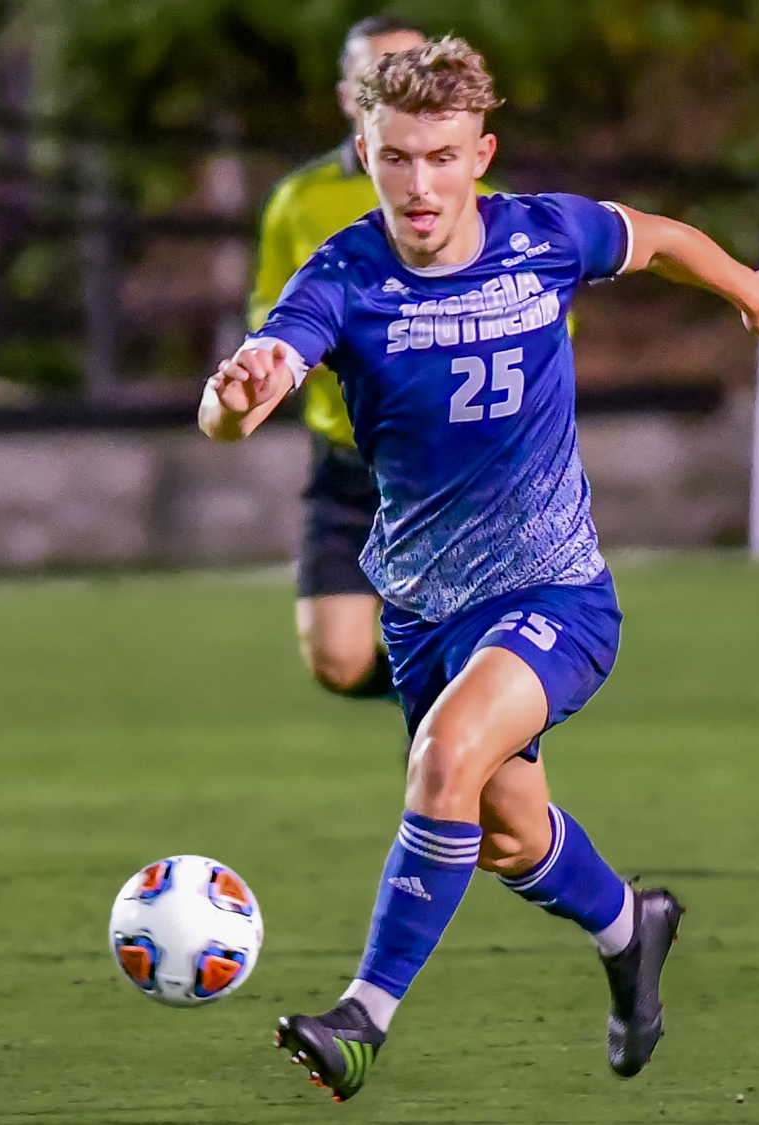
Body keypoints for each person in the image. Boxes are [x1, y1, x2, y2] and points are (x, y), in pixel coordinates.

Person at [199, 38, 759, 1099]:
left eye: (438, 156)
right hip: (425, 610)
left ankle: (362, 1018)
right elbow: (260, 376)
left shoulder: (542, 235)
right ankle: (629, 929)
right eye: (394, 158)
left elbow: (654, 240)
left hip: (553, 592)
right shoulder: (342, 272)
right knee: (509, 840)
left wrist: (745, 283)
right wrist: (234, 396)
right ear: (366, 152)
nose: (417, 184)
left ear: (481, 152)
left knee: (443, 760)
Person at [249, 15, 428, 702]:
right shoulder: (302, 200)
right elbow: (267, 312)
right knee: (340, 659)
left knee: (469, 645)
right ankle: (435, 693)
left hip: (449, 467)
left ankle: (467, 718)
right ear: (349, 95)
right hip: (348, 461)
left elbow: (550, 315)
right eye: (379, 77)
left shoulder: (474, 196)